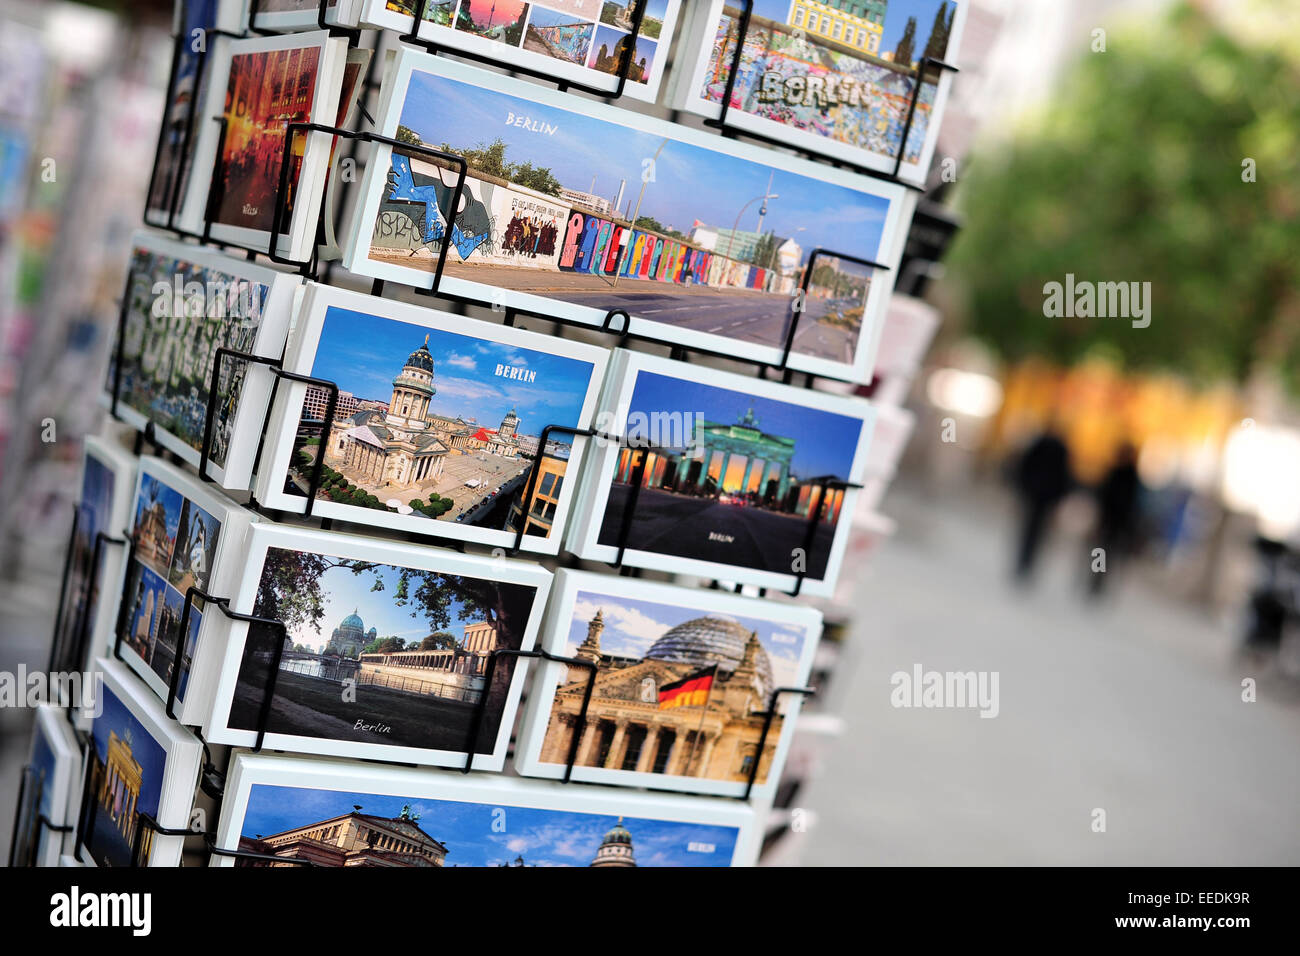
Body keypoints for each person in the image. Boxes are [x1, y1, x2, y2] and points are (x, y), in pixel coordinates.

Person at [1012, 424, 1072, 583]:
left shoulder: (1042, 445)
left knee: (1030, 531)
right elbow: (1064, 477)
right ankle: (1026, 563)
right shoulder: (1058, 449)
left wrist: (1024, 486)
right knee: (1036, 532)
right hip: (1043, 497)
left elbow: (1025, 466)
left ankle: (1024, 562)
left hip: (1037, 495)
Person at [1087, 442, 1142, 597]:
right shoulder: (1122, 473)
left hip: (1114, 520)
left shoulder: (1124, 474)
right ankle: (1097, 580)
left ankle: (1098, 580)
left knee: (1103, 551)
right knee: (1103, 552)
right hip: (1114, 519)